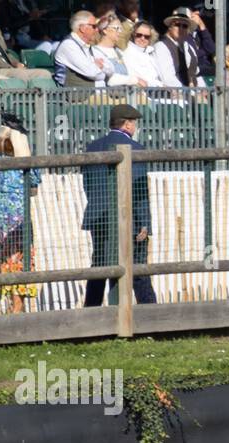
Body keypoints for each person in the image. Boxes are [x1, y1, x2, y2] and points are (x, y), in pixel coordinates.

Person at [82, 104, 155, 307]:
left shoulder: (92, 147)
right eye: (134, 123)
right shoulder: (136, 149)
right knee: (138, 267)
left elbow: (87, 184)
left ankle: (91, 312)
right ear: (128, 124)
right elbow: (139, 189)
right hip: (128, 218)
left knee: (100, 266)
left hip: (99, 215)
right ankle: (150, 313)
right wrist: (144, 222)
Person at [0, 130, 40, 315]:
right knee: (18, 263)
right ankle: (16, 307)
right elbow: (33, 191)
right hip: (18, 219)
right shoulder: (26, 164)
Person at [54, 11, 115, 87]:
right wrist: (101, 71)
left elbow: (111, 69)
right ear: (83, 28)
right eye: (94, 26)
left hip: (96, 93)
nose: (96, 30)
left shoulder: (88, 46)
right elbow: (92, 73)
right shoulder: (68, 45)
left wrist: (101, 66)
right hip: (74, 96)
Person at [152, 9, 207, 87]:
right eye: (177, 25)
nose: (180, 28)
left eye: (184, 26)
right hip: (173, 95)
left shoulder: (188, 47)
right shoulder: (161, 47)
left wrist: (203, 90)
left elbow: (194, 72)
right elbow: (168, 79)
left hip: (191, 93)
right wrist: (190, 93)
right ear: (170, 27)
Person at [93, 12, 146, 86]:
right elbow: (109, 79)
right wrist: (135, 80)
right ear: (105, 30)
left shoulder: (119, 52)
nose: (120, 32)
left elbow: (130, 71)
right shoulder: (96, 52)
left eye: (120, 28)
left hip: (124, 94)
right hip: (107, 95)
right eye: (116, 28)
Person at [121, 20, 160, 85]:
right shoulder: (129, 54)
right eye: (139, 35)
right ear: (133, 35)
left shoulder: (150, 53)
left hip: (156, 90)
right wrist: (163, 86)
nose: (142, 38)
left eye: (146, 36)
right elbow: (144, 78)